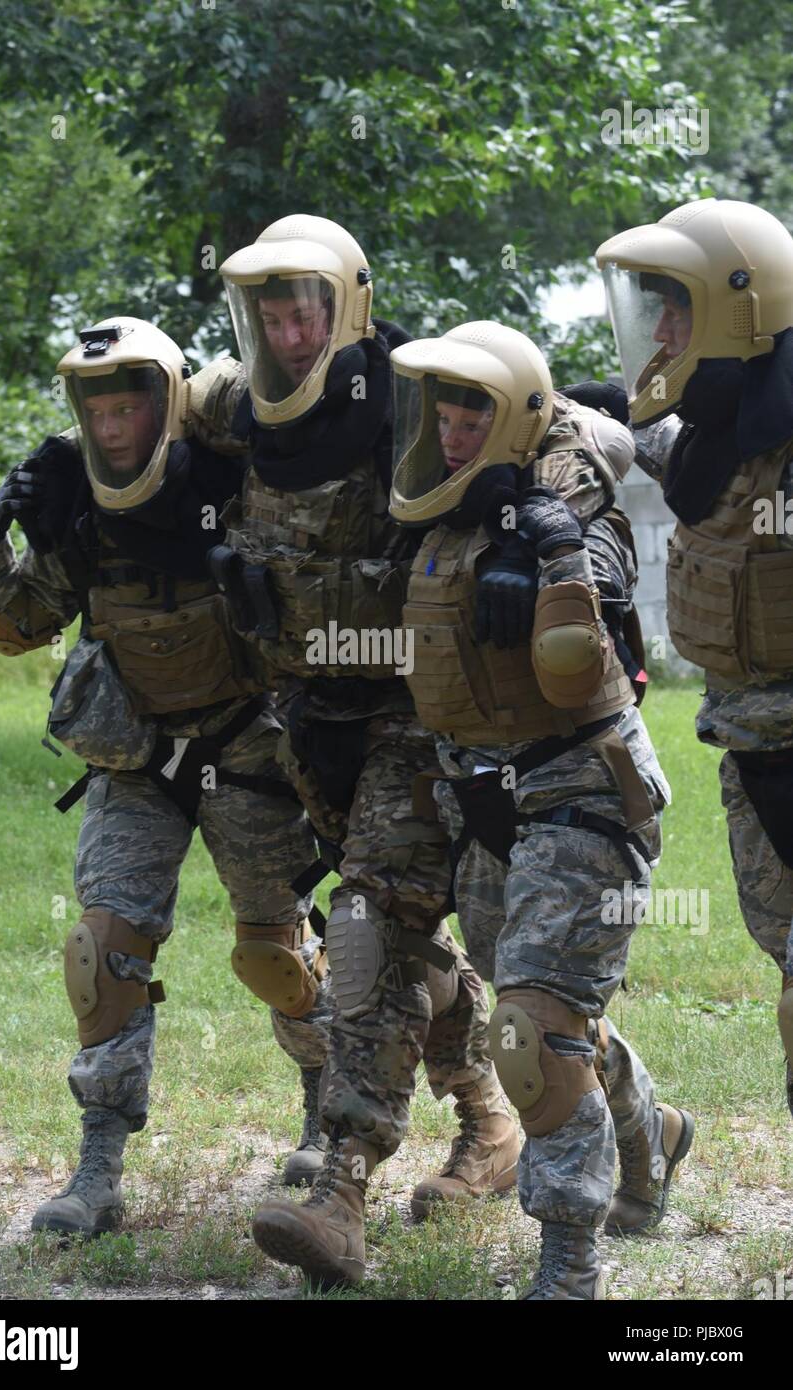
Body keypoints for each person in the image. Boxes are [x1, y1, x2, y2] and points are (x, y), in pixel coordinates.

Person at [203, 216, 520, 1287]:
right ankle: (509, 1112)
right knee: (400, 937)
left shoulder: (414, 394)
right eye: (269, 312)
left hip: (409, 714)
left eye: (307, 308)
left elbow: (552, 422)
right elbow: (137, 418)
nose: (290, 333)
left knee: (370, 924)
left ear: (348, 304)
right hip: (306, 722)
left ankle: (339, 1185)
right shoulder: (235, 408)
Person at [0, 317, 328, 1235]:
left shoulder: (232, 480)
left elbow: (315, 591)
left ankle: (326, 1103)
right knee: (101, 950)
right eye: (99, 409)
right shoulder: (73, 500)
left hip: (248, 750)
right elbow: (19, 626)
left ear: (166, 404)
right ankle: (99, 1168)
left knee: (275, 954)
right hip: (135, 758)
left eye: (131, 406)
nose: (114, 426)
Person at [387, 320, 694, 1299]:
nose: (455, 425)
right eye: (444, 405)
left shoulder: (573, 518)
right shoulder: (436, 516)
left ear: (517, 415)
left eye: (476, 406)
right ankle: (653, 1130)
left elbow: (596, 587)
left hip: (582, 801)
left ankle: (567, 1265)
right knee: (549, 1023)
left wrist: (552, 567)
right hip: (489, 812)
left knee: (527, 1032)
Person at [593, 196, 793, 1123]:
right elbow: (651, 441)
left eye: (677, 312)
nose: (660, 334)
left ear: (734, 314)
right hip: (755, 762)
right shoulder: (715, 443)